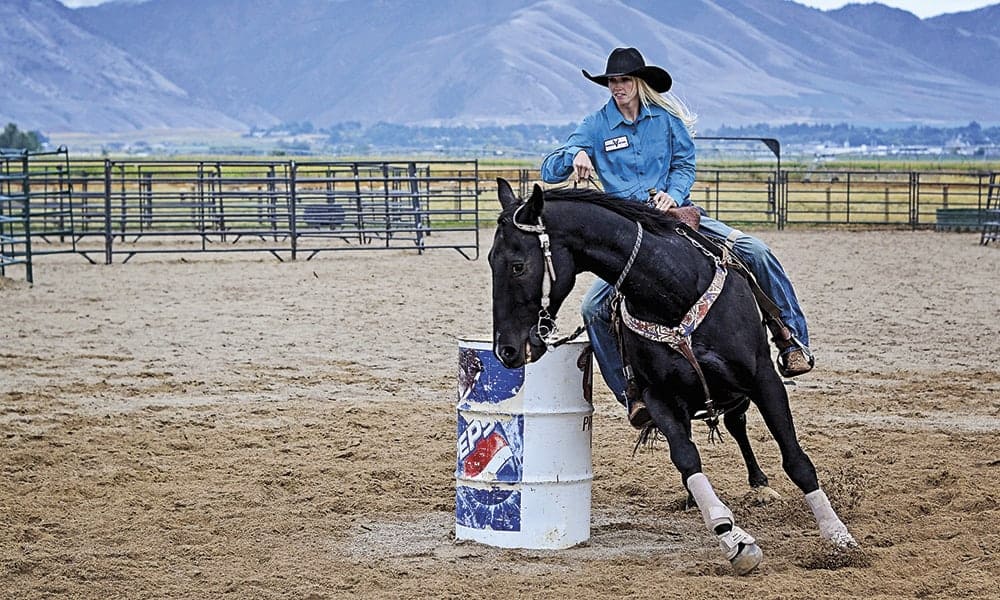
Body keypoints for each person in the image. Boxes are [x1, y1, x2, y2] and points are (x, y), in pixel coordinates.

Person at [540, 47, 814, 428]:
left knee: (756, 250)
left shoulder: (667, 120)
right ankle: (631, 393)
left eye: (623, 80)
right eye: (611, 82)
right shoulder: (595, 125)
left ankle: (791, 340)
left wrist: (672, 191)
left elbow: (685, 163)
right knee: (593, 309)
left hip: (675, 217)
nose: (617, 87)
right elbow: (549, 169)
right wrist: (573, 154)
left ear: (639, 83)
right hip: (627, 234)